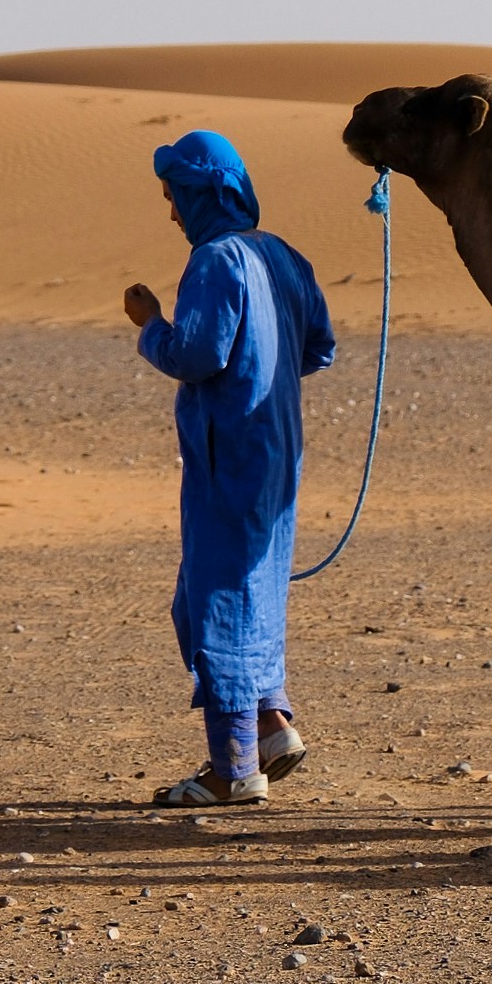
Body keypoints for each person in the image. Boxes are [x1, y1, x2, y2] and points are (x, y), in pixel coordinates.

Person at [123, 128, 336, 806]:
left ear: (203, 193)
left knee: (218, 603)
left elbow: (197, 355)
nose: (172, 212)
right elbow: (318, 348)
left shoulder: (216, 261)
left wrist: (149, 323)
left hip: (231, 457)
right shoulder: (283, 256)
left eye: (175, 196)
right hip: (275, 454)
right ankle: (270, 726)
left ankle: (232, 769)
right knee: (236, 593)